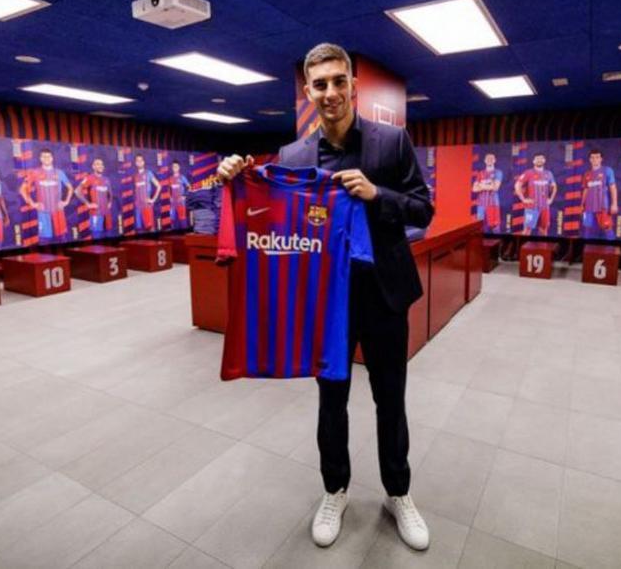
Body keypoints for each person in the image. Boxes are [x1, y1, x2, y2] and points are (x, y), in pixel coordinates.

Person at [217, 43, 434, 551]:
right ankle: (334, 488)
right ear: (308, 92)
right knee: (331, 400)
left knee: (390, 399)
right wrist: (230, 178)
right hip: (323, 302)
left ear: (354, 85)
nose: (331, 92)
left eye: (339, 81)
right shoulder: (293, 156)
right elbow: (264, 214)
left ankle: (398, 492)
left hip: (383, 293)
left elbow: (422, 209)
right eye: (320, 84)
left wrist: (377, 195)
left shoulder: (391, 142)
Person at [20, 148, 73, 243]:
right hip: (43, 212)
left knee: (62, 239)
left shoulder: (59, 172)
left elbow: (70, 188)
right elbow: (22, 189)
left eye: (48, 156)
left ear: (52, 158)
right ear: (40, 159)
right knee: (45, 241)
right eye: (44, 156)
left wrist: (66, 201)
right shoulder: (34, 172)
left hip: (58, 211)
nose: (46, 158)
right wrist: (32, 203)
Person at [514, 153, 556, 235]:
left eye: (541, 158)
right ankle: (522, 247)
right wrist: (523, 199)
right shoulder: (528, 173)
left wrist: (551, 199)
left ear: (544, 160)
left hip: (545, 207)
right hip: (532, 207)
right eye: (537, 158)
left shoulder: (548, 173)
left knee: (544, 230)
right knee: (527, 231)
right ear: (533, 161)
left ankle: (543, 248)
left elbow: (554, 186)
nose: (539, 160)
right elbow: (517, 185)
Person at [581, 148, 618, 240]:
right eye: (592, 158)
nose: (595, 160)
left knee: (607, 228)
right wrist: (582, 204)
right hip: (588, 207)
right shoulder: (587, 174)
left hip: (603, 206)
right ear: (590, 160)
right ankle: (587, 251)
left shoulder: (607, 170)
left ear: (601, 159)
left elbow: (612, 187)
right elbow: (586, 190)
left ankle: (611, 251)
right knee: (587, 229)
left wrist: (614, 204)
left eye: (597, 157)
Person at [77, 157, 114, 238]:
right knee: (97, 240)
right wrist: (88, 204)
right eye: (97, 164)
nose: (100, 166)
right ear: (93, 166)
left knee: (109, 238)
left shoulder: (106, 179)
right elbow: (77, 191)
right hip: (96, 214)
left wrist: (110, 202)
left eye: (101, 164)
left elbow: (110, 194)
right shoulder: (90, 178)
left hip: (107, 214)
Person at [472, 152, 502, 232]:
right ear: (485, 160)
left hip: (493, 204)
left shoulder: (498, 172)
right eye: (488, 158)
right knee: (479, 227)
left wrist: (481, 185)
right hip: (481, 204)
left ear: (494, 160)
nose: (489, 160)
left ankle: (498, 244)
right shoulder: (480, 173)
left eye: (491, 158)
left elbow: (495, 187)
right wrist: (489, 185)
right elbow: (474, 189)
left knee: (495, 228)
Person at [133, 153, 160, 233]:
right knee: (139, 229)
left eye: (141, 160)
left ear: (143, 162)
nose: (139, 162)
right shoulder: (135, 176)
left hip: (147, 206)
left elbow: (159, 186)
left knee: (150, 229)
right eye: (137, 161)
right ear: (135, 163)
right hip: (138, 206)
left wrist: (153, 199)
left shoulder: (148, 173)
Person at [167, 160, 190, 229]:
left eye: (176, 166)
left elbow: (189, 187)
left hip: (181, 203)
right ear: (172, 167)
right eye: (174, 166)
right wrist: (170, 197)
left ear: (179, 167)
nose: (175, 168)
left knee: (183, 221)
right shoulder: (170, 179)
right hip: (173, 204)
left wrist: (185, 196)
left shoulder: (182, 177)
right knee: (173, 221)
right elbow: (168, 189)